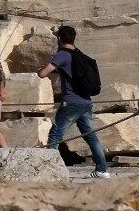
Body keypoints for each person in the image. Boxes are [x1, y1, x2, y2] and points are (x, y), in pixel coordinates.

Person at [40, 24, 110, 177]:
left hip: (70, 103)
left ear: (59, 38)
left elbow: (43, 73)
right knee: (91, 137)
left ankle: (49, 170)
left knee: (55, 136)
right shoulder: (80, 54)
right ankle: (102, 170)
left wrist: (43, 69)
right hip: (85, 102)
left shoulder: (62, 55)